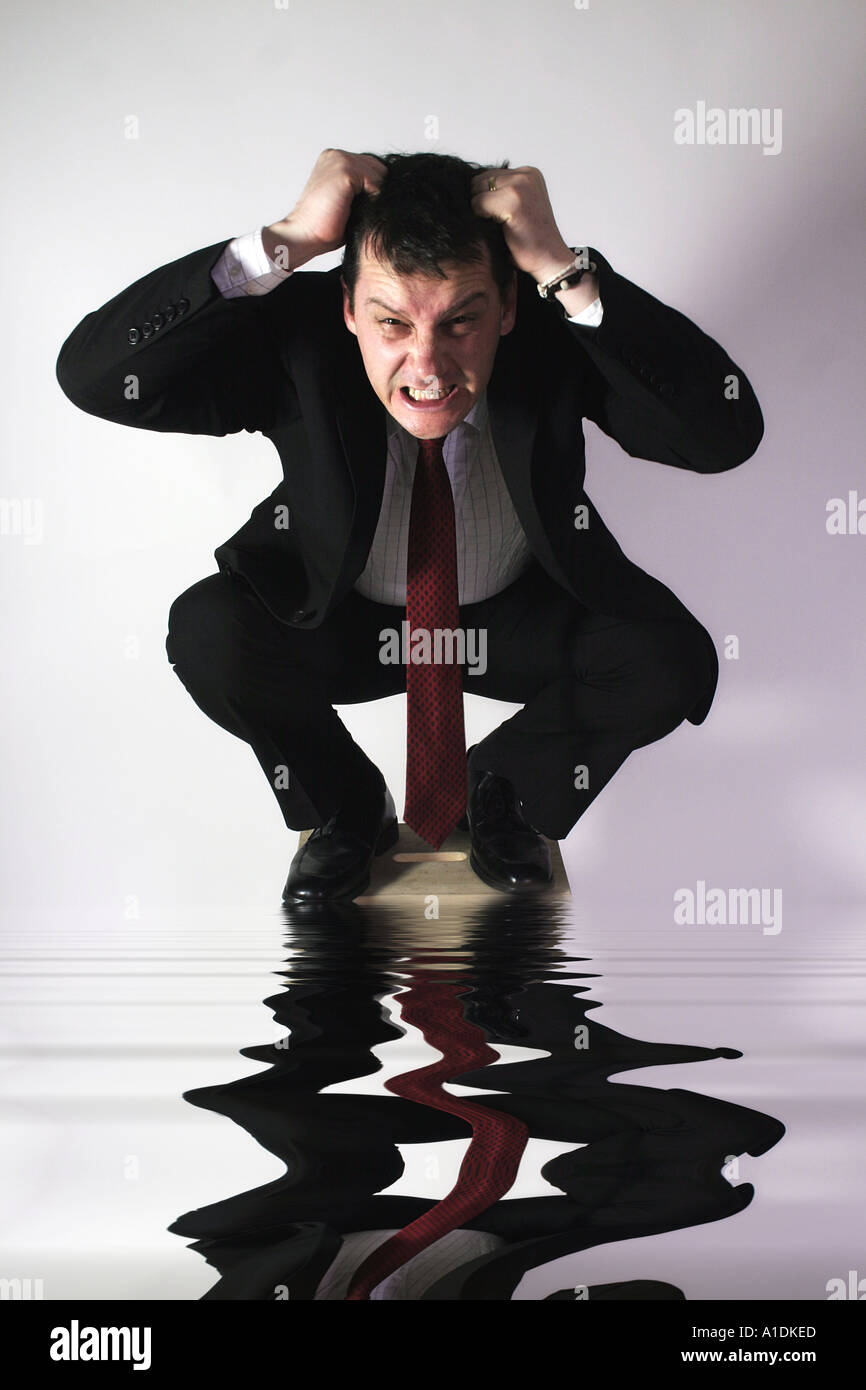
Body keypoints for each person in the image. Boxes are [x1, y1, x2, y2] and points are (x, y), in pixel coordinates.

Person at [55, 148, 763, 903]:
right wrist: (285, 241)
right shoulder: (298, 341)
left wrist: (563, 266)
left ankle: (505, 793)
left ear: (510, 306)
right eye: (392, 322)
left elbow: (723, 435)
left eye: (462, 320)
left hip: (506, 617)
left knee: (668, 657)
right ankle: (346, 810)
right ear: (349, 309)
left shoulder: (551, 335)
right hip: (344, 618)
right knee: (209, 631)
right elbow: (95, 378)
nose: (426, 365)